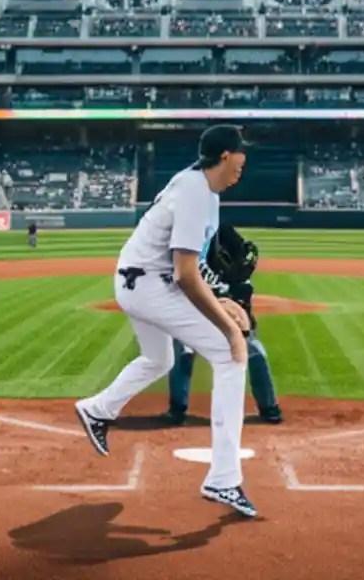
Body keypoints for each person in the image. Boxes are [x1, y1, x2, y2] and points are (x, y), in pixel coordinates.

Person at [74, 125, 257, 518]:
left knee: (160, 360)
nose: (245, 162)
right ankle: (223, 479)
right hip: (148, 286)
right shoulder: (196, 192)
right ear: (225, 155)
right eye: (241, 154)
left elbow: (191, 266)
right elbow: (184, 274)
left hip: (141, 280)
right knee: (230, 353)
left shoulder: (200, 189)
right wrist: (229, 329)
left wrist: (222, 300)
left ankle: (97, 409)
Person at [162, 223, 282, 426]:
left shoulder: (222, 234)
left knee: (255, 351)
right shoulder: (183, 242)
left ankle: (269, 408)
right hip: (195, 310)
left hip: (226, 310)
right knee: (183, 349)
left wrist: (237, 314)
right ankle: (177, 409)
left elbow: (247, 254)